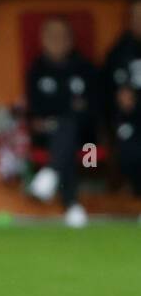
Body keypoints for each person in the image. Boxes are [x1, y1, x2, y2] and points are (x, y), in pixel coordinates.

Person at [25, 17, 99, 227]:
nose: (57, 41)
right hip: (46, 137)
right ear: (43, 40)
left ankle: (51, 174)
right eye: (51, 37)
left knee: (68, 129)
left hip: (88, 144)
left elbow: (91, 109)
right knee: (64, 137)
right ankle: (71, 204)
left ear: (71, 40)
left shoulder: (85, 69)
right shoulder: (36, 70)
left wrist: (69, 115)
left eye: (62, 36)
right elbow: (35, 112)